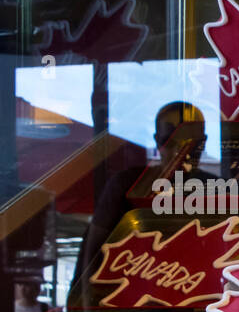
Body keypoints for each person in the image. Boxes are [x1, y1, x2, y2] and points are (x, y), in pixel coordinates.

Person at [74, 101, 214, 292]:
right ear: (157, 141)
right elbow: (94, 249)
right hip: (136, 306)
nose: (179, 152)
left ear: (203, 143)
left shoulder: (216, 188)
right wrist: (86, 303)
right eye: (170, 142)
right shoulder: (127, 185)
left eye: (190, 145)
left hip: (196, 303)